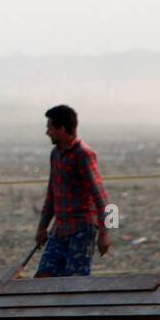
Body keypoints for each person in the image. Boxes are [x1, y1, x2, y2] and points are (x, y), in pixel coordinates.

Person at [33, 104, 111, 277]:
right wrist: (42, 228)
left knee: (74, 284)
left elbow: (102, 198)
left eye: (50, 128)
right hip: (59, 229)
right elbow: (51, 196)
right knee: (43, 279)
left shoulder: (83, 154)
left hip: (82, 230)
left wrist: (105, 234)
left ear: (61, 129)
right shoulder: (55, 154)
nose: (47, 133)